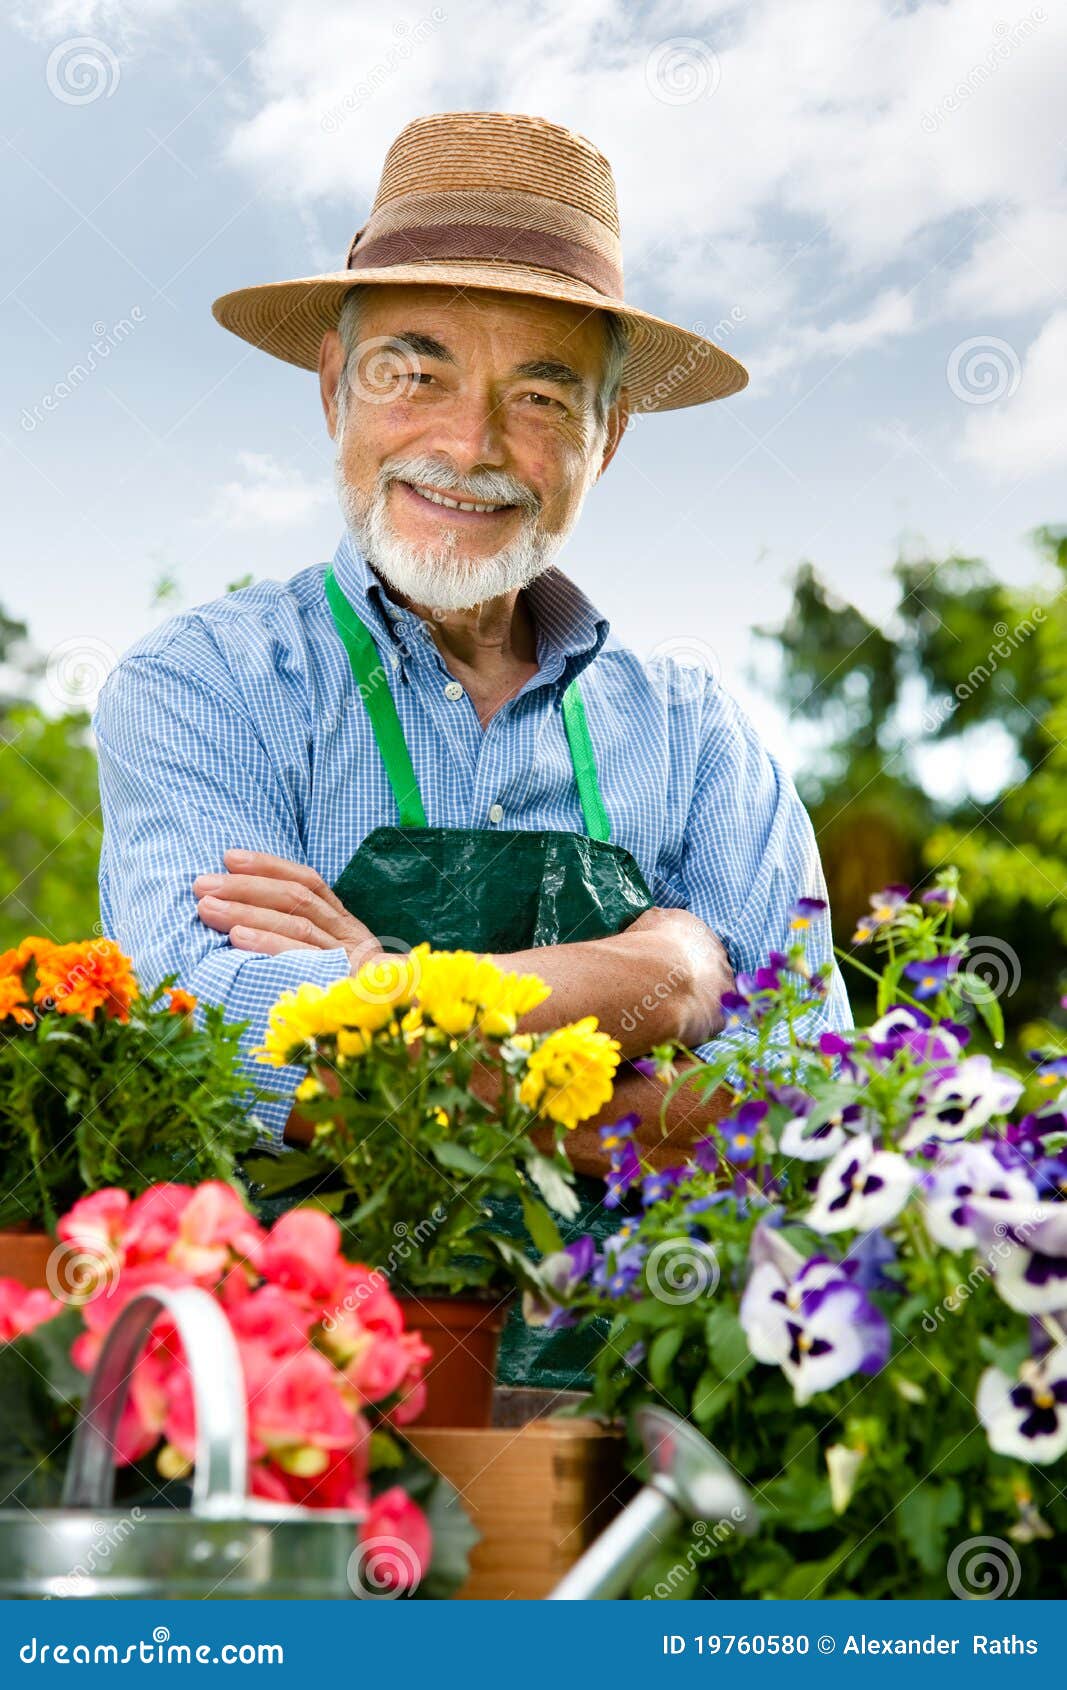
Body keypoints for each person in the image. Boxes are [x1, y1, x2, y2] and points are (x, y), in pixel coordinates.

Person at [94, 111, 850, 1180]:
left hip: (637, 1342)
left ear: (609, 435)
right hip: (302, 1340)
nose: (470, 445)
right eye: (414, 374)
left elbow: (807, 1107)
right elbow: (213, 1037)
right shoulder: (203, 687)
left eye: (539, 397)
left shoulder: (699, 742)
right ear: (332, 388)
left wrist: (370, 984)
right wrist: (665, 980)